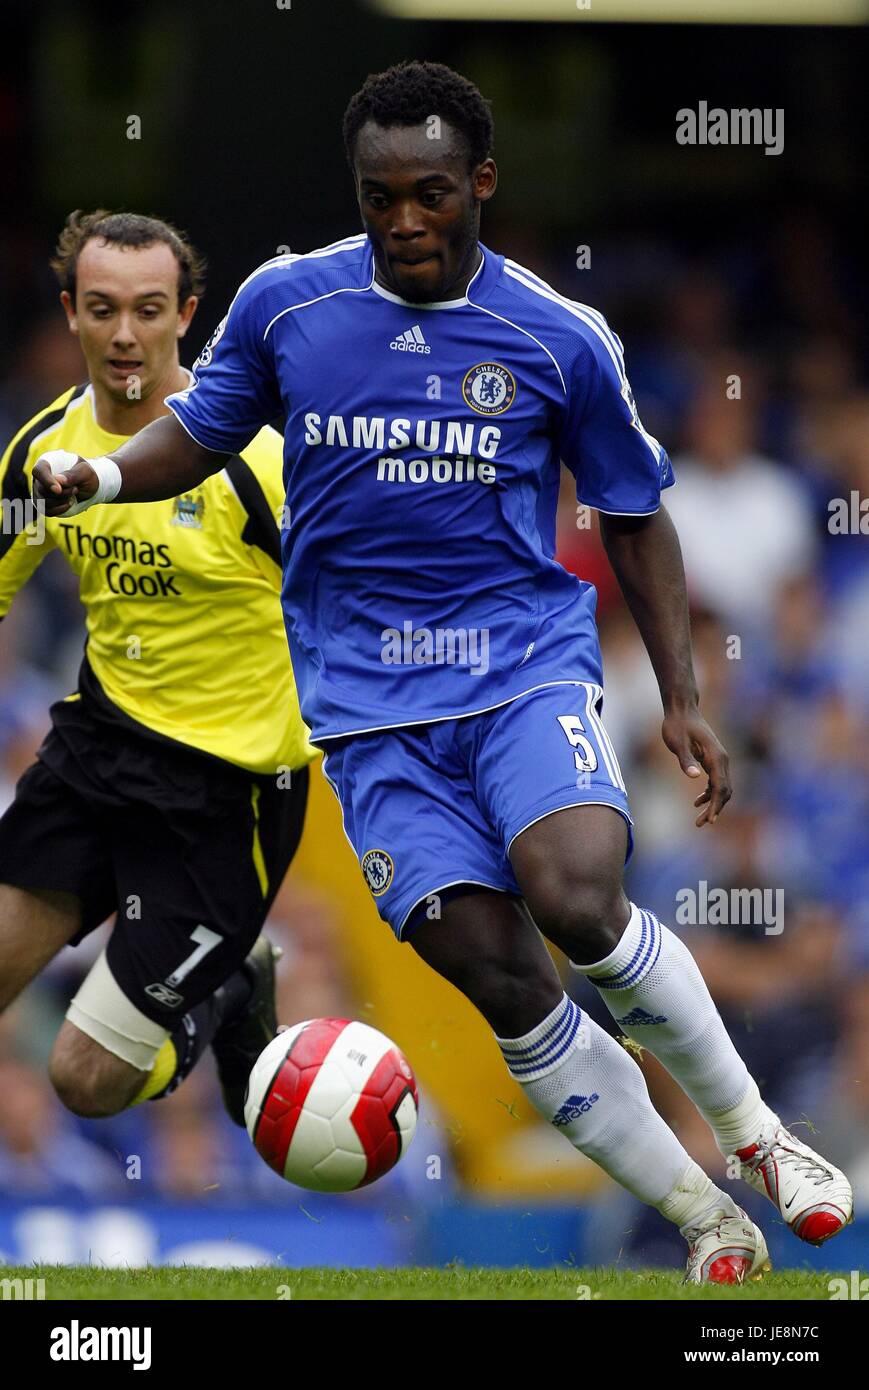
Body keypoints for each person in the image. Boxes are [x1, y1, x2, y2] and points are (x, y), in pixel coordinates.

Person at [33, 66, 852, 1282]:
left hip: (517, 670)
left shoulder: (557, 336)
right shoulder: (285, 308)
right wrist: (98, 477)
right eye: (378, 199)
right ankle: (701, 1216)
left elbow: (633, 513)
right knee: (500, 974)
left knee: (574, 895)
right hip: (369, 721)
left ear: (479, 182)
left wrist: (682, 694)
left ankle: (759, 1140)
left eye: (427, 194)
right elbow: (198, 433)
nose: (403, 220)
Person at [2, 209, 313, 1128]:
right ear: (70, 313)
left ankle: (226, 989)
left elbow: (362, 604)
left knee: (82, 1080)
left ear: (187, 315)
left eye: (148, 309)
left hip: (225, 799)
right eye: (101, 309)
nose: (125, 334)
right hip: (95, 758)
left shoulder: (258, 463)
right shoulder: (36, 457)